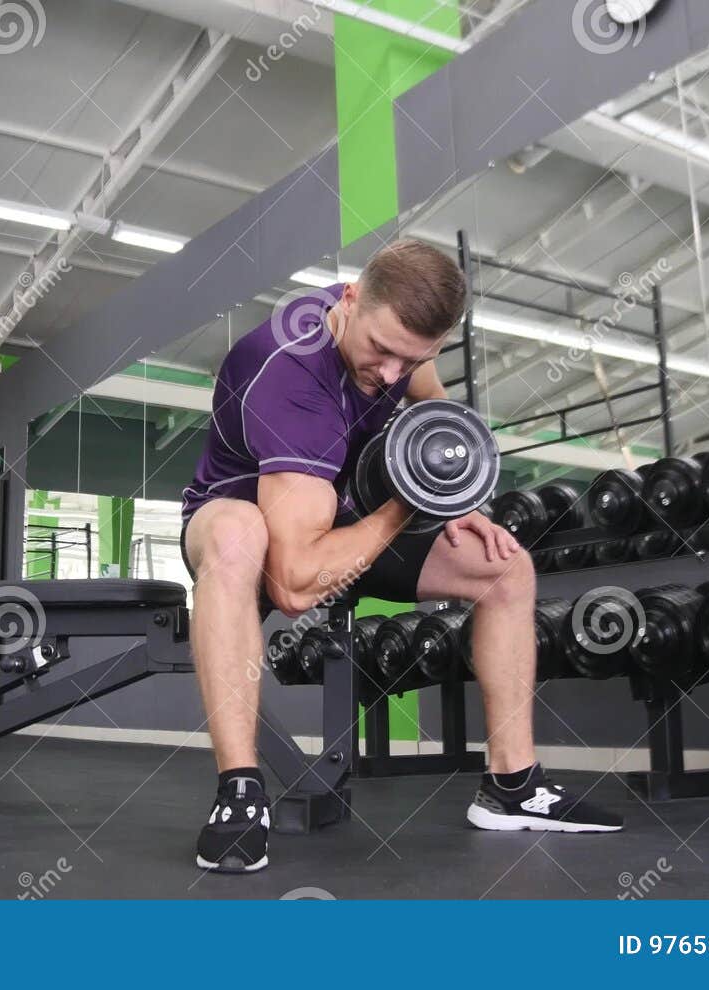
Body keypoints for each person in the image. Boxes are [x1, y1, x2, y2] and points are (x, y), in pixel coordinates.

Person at [180, 239, 623, 874]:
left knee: (506, 567)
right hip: (240, 519)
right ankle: (241, 794)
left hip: (342, 514)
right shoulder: (288, 372)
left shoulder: (398, 342)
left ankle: (512, 786)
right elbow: (294, 585)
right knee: (237, 536)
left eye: (410, 357)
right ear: (350, 299)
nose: (390, 372)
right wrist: (405, 503)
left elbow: (429, 399)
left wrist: (454, 486)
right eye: (381, 350)